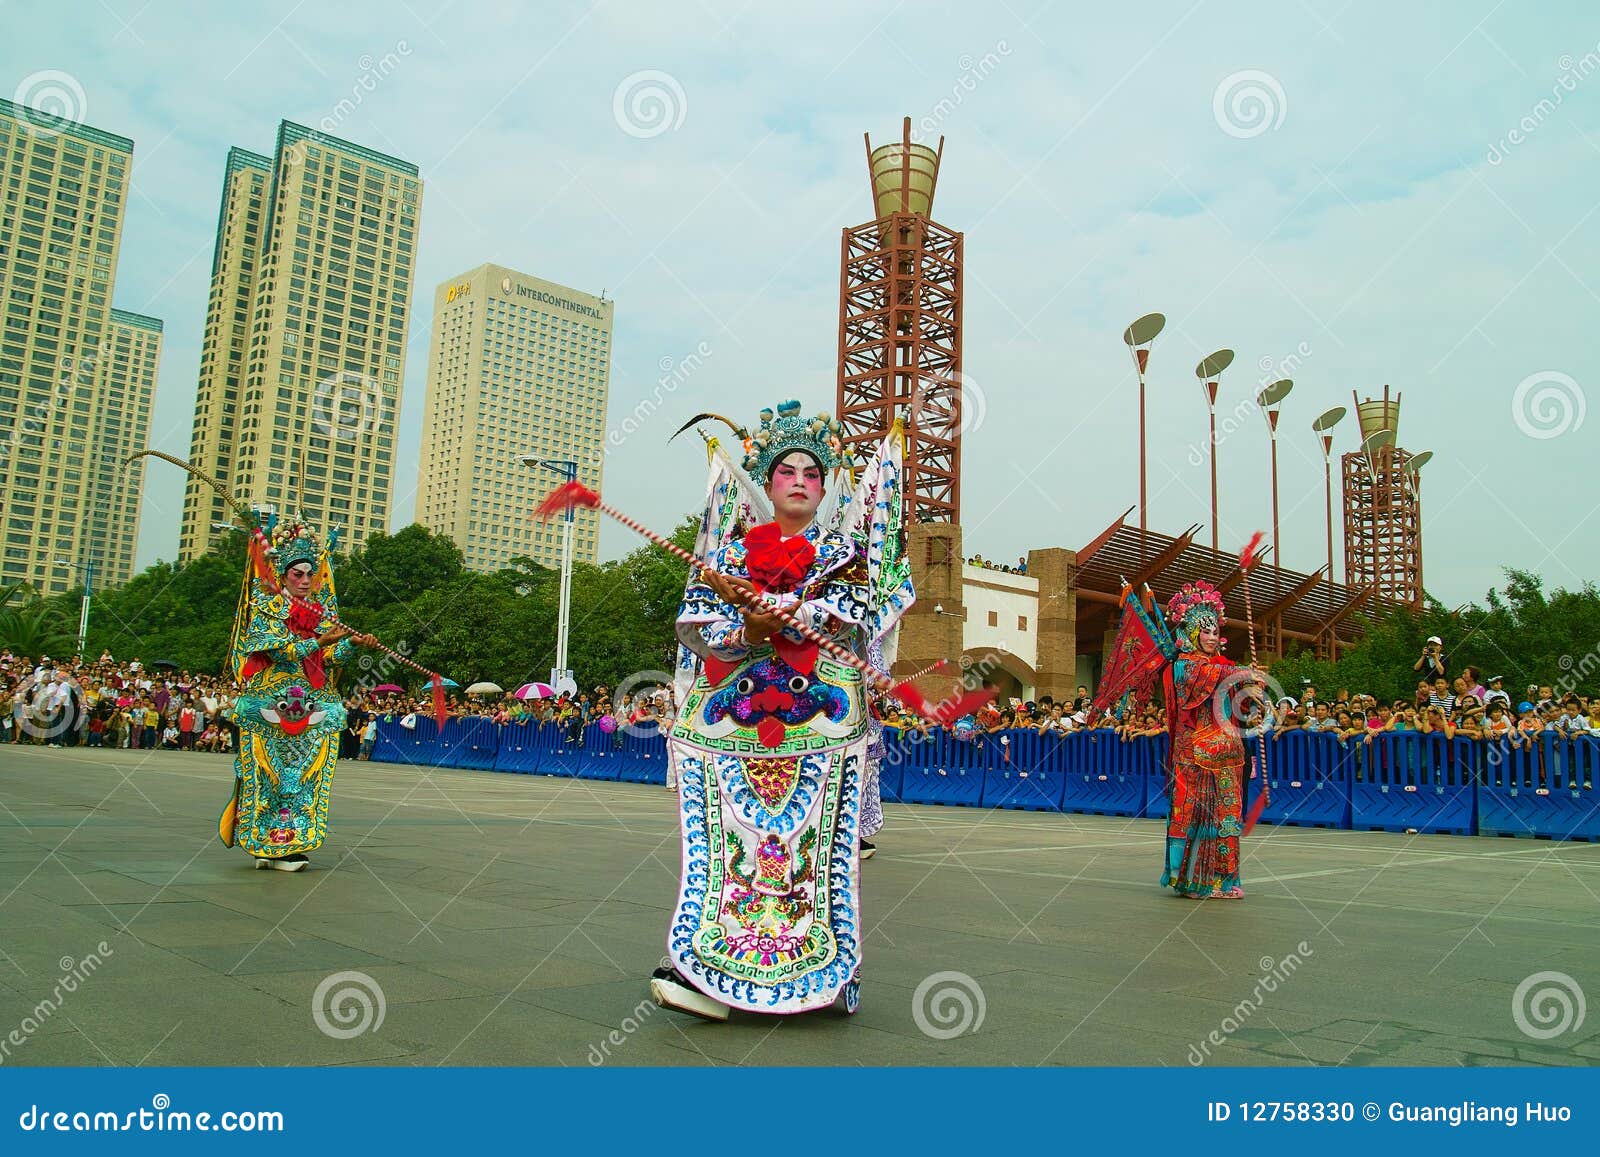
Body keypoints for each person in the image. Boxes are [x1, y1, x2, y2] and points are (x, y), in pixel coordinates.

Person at [649, 400, 915, 1021]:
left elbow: (855, 618)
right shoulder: (729, 557)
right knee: (726, 846)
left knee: (817, 851)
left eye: (811, 473)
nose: (799, 481)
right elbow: (695, 620)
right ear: (767, 486)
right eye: (787, 472)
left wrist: (797, 614)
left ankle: (822, 975)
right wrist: (746, 629)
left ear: (823, 488)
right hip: (732, 723)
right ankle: (707, 973)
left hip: (820, 725)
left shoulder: (845, 554)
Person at [219, 515, 377, 873]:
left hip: (311, 706)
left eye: (310, 574)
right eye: (297, 574)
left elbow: (330, 659)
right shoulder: (266, 606)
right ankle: (264, 844)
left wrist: (351, 644)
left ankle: (288, 844)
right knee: (267, 777)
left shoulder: (321, 611)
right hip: (269, 707)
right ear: (284, 574)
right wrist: (318, 641)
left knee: (302, 779)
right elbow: (276, 651)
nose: (305, 581)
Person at [1159, 583, 1263, 899]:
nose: (1212, 637)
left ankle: (1223, 880)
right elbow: (1207, 678)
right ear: (1192, 633)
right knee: (1197, 814)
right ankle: (1193, 881)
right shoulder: (1183, 666)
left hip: (1226, 753)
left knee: (1227, 816)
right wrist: (1243, 674)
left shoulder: (1222, 666)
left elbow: (1236, 701)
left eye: (1216, 631)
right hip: (1194, 756)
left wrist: (1253, 695)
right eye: (1205, 631)